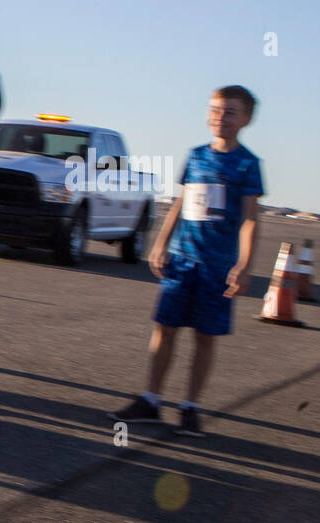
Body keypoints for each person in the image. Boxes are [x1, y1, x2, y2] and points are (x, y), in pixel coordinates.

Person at [111, 87, 263, 437]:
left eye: (229, 112)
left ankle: (191, 406)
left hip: (217, 266)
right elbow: (180, 204)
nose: (219, 118)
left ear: (246, 119)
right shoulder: (196, 156)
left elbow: (251, 218)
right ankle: (150, 399)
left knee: (205, 337)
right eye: (215, 110)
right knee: (164, 328)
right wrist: (161, 243)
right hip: (182, 260)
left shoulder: (247, 164)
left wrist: (244, 265)